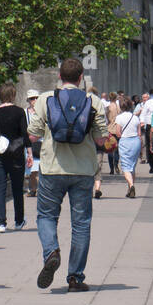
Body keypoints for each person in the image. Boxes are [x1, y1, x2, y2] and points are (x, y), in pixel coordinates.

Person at [26, 57, 109, 291]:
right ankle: (75, 278)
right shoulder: (93, 101)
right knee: (81, 224)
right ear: (81, 77)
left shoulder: (45, 99)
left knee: (46, 216)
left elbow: (32, 135)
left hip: (52, 168)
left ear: (59, 77)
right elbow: (101, 139)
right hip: (83, 171)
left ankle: (51, 250)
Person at [0, 82, 28, 233]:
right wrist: (29, 151)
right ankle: (18, 220)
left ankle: (1, 222)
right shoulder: (19, 112)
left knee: (0, 189)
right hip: (16, 154)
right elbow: (24, 133)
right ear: (13, 95)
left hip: (0, 153)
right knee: (17, 189)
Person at [113, 94, 143, 198]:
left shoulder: (119, 118)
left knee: (125, 166)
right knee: (132, 167)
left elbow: (118, 133)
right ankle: (129, 189)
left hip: (125, 141)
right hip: (136, 141)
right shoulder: (135, 117)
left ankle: (131, 185)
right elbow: (139, 133)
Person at [25, 89, 42, 196]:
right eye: (32, 98)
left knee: (41, 169)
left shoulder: (42, 112)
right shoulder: (25, 112)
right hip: (30, 143)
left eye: (36, 98)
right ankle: (33, 189)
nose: (34, 100)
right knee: (31, 169)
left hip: (41, 142)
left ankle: (40, 189)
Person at [140, 88, 153, 174]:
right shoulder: (149, 103)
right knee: (150, 146)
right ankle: (152, 165)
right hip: (150, 125)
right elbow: (143, 114)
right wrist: (142, 122)